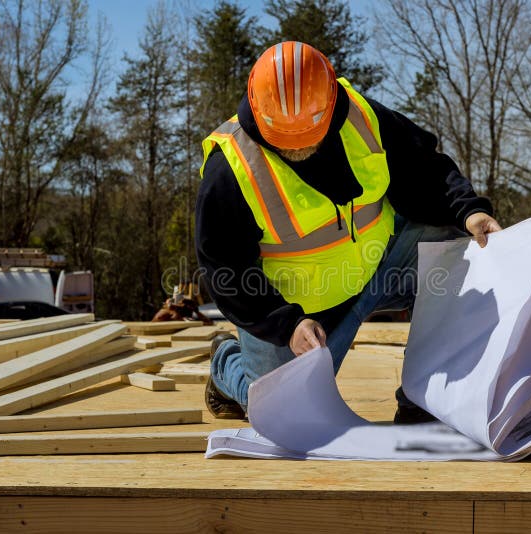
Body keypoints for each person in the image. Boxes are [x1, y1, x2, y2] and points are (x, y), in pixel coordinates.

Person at [196, 41, 501, 423]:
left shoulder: (363, 117)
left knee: (456, 247)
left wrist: (469, 210)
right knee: (284, 416)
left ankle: (424, 396)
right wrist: (285, 324)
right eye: (285, 138)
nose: (300, 146)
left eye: (309, 132)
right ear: (259, 112)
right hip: (298, 316)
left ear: (329, 106)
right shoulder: (231, 169)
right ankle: (229, 364)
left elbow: (425, 168)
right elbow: (225, 271)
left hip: (381, 269)